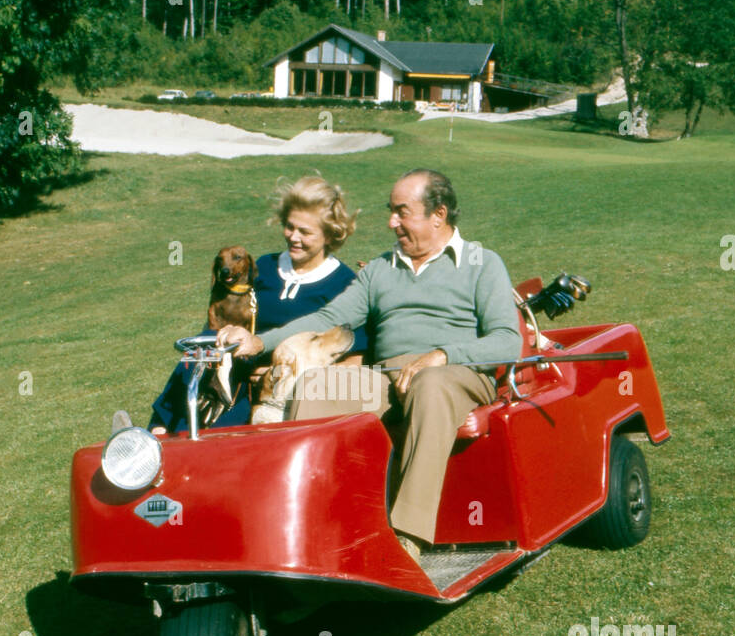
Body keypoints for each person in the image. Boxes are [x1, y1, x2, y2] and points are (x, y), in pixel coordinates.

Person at [218, 169, 521, 562]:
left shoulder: (483, 263)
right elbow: (326, 320)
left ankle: (408, 538)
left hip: (457, 373)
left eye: (401, 212)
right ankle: (315, 530)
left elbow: (507, 340)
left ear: (438, 215)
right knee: (318, 386)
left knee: (429, 385)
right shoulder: (381, 269)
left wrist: (441, 355)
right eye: (390, 212)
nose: (391, 222)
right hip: (388, 376)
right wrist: (259, 342)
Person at [148, 176, 366, 432]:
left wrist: (280, 374)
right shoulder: (263, 268)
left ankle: (164, 434)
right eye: (289, 226)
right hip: (234, 374)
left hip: (291, 393)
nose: (293, 237)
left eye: (305, 232)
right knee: (203, 346)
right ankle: (158, 430)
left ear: (330, 235)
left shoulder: (344, 284)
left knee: (224, 435)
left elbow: (354, 362)